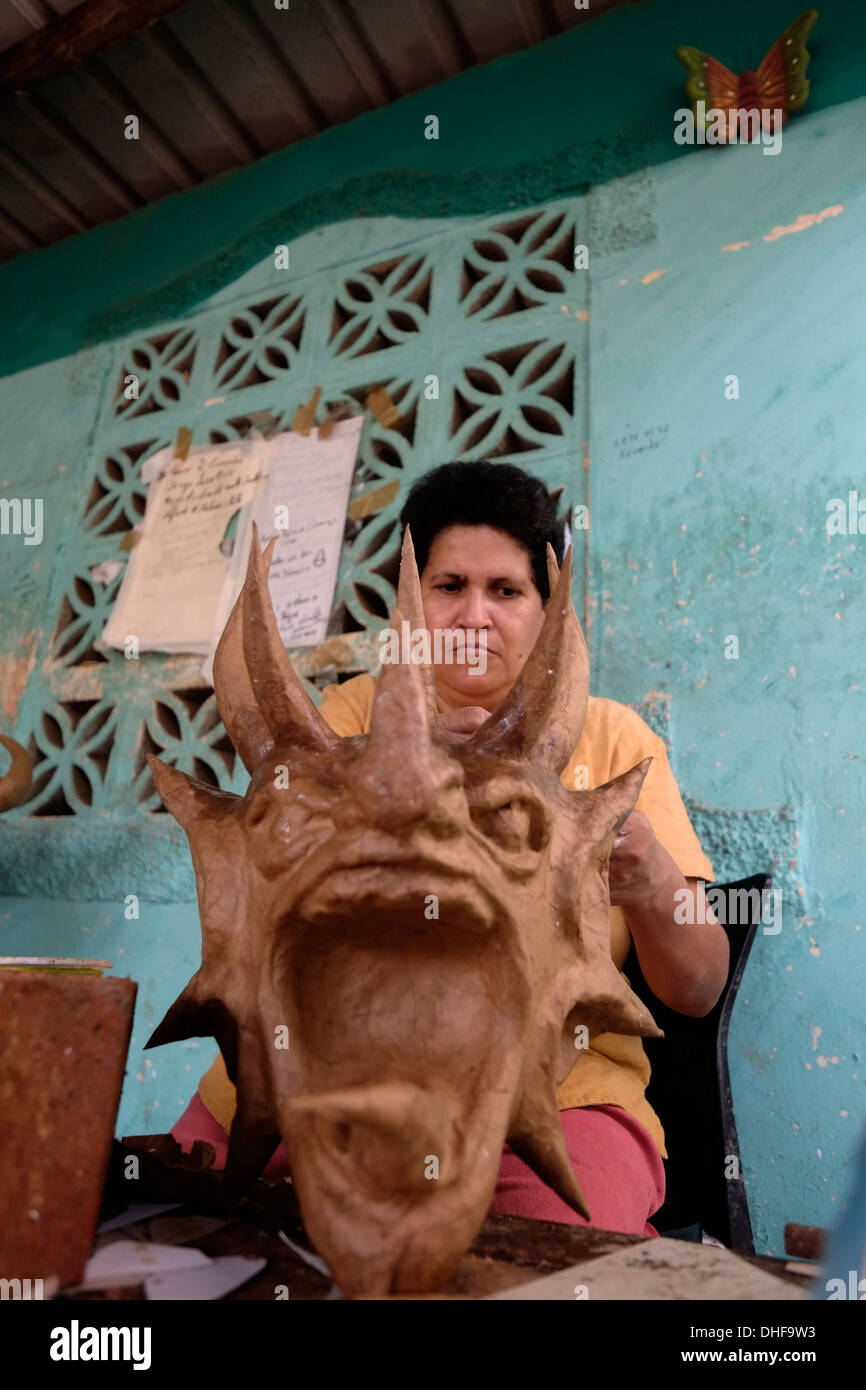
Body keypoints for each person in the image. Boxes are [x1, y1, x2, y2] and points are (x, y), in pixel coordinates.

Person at [172, 460, 729, 1237]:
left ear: (544, 612)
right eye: (448, 586)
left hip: (551, 1105)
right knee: (158, 1230)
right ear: (409, 603)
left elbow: (699, 987)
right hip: (308, 1085)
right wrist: (399, 760)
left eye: (506, 591)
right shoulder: (346, 714)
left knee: (565, 1270)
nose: (475, 615)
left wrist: (648, 875)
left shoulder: (612, 740)